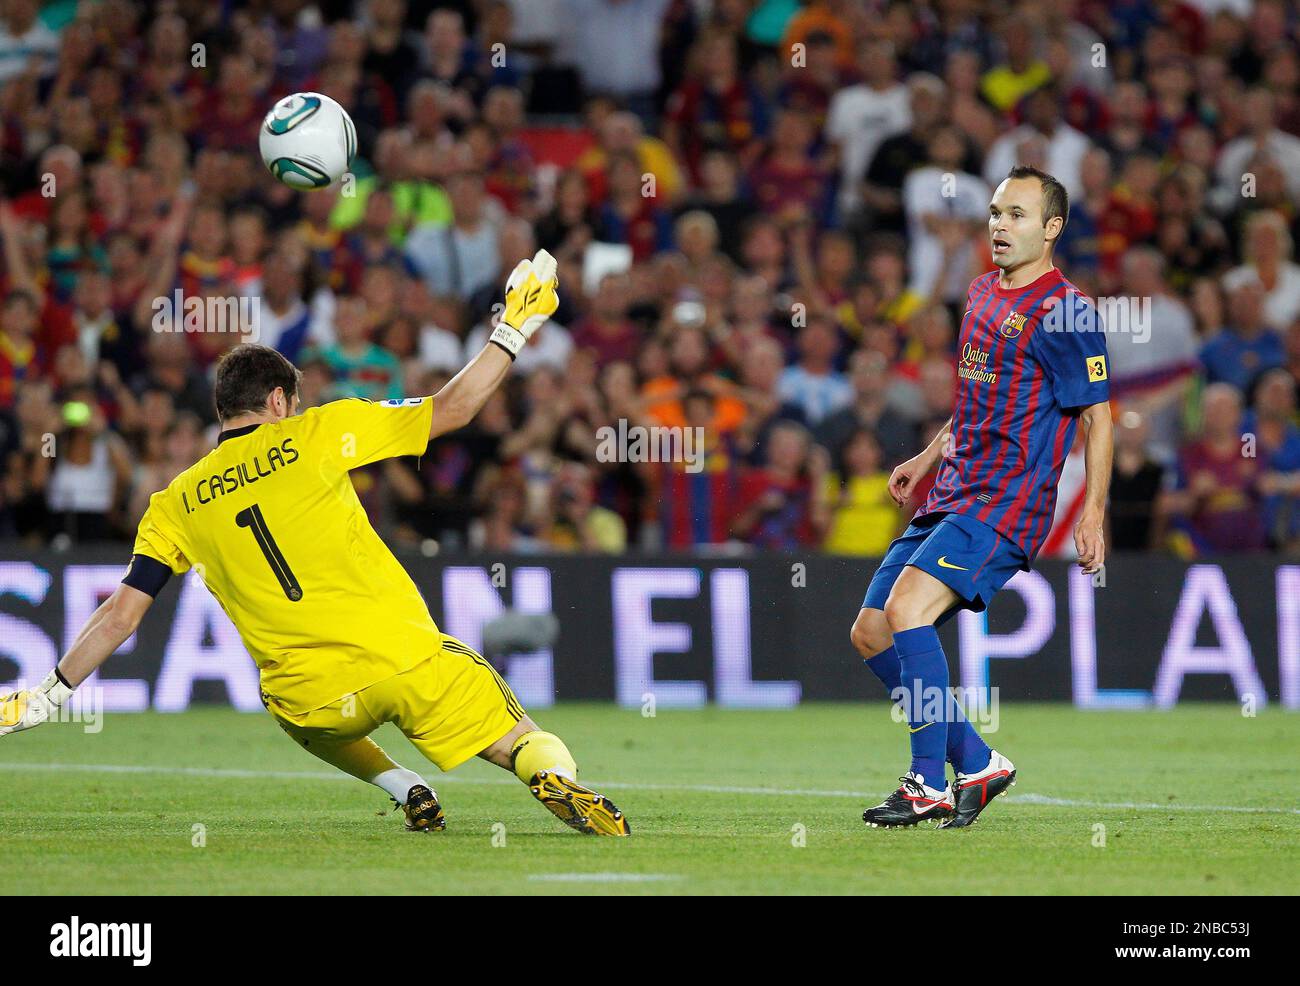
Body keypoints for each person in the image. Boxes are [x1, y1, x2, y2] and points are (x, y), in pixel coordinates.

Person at [0, 252, 631, 837]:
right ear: (278, 401)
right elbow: (455, 407)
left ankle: (401, 783)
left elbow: (121, 615)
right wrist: (514, 325)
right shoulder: (321, 431)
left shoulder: (175, 503)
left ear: (224, 410)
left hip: (314, 698)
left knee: (284, 703)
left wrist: (50, 694)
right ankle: (552, 776)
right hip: (401, 658)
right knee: (515, 735)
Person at [850, 166, 1113, 828]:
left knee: (908, 609)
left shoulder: (1068, 312)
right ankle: (977, 762)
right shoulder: (979, 292)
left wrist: (1095, 514)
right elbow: (977, 399)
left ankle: (924, 783)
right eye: (996, 212)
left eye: (1018, 215)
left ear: (1052, 228)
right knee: (872, 631)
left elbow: (1099, 418)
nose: (1000, 225)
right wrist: (926, 456)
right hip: (954, 487)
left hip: (1007, 498)